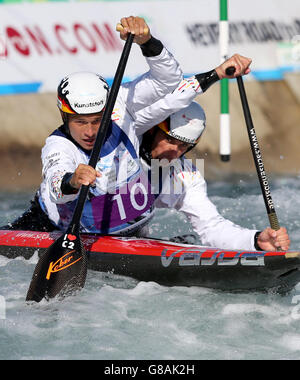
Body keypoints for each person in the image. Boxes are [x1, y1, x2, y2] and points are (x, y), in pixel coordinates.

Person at [1, 16, 290, 252]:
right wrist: (72, 180)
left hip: (127, 239)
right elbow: (55, 181)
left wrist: (255, 241)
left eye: (184, 146)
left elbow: (213, 228)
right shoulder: (63, 143)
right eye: (169, 138)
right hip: (53, 228)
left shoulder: (178, 174)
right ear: (151, 127)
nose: (172, 152)